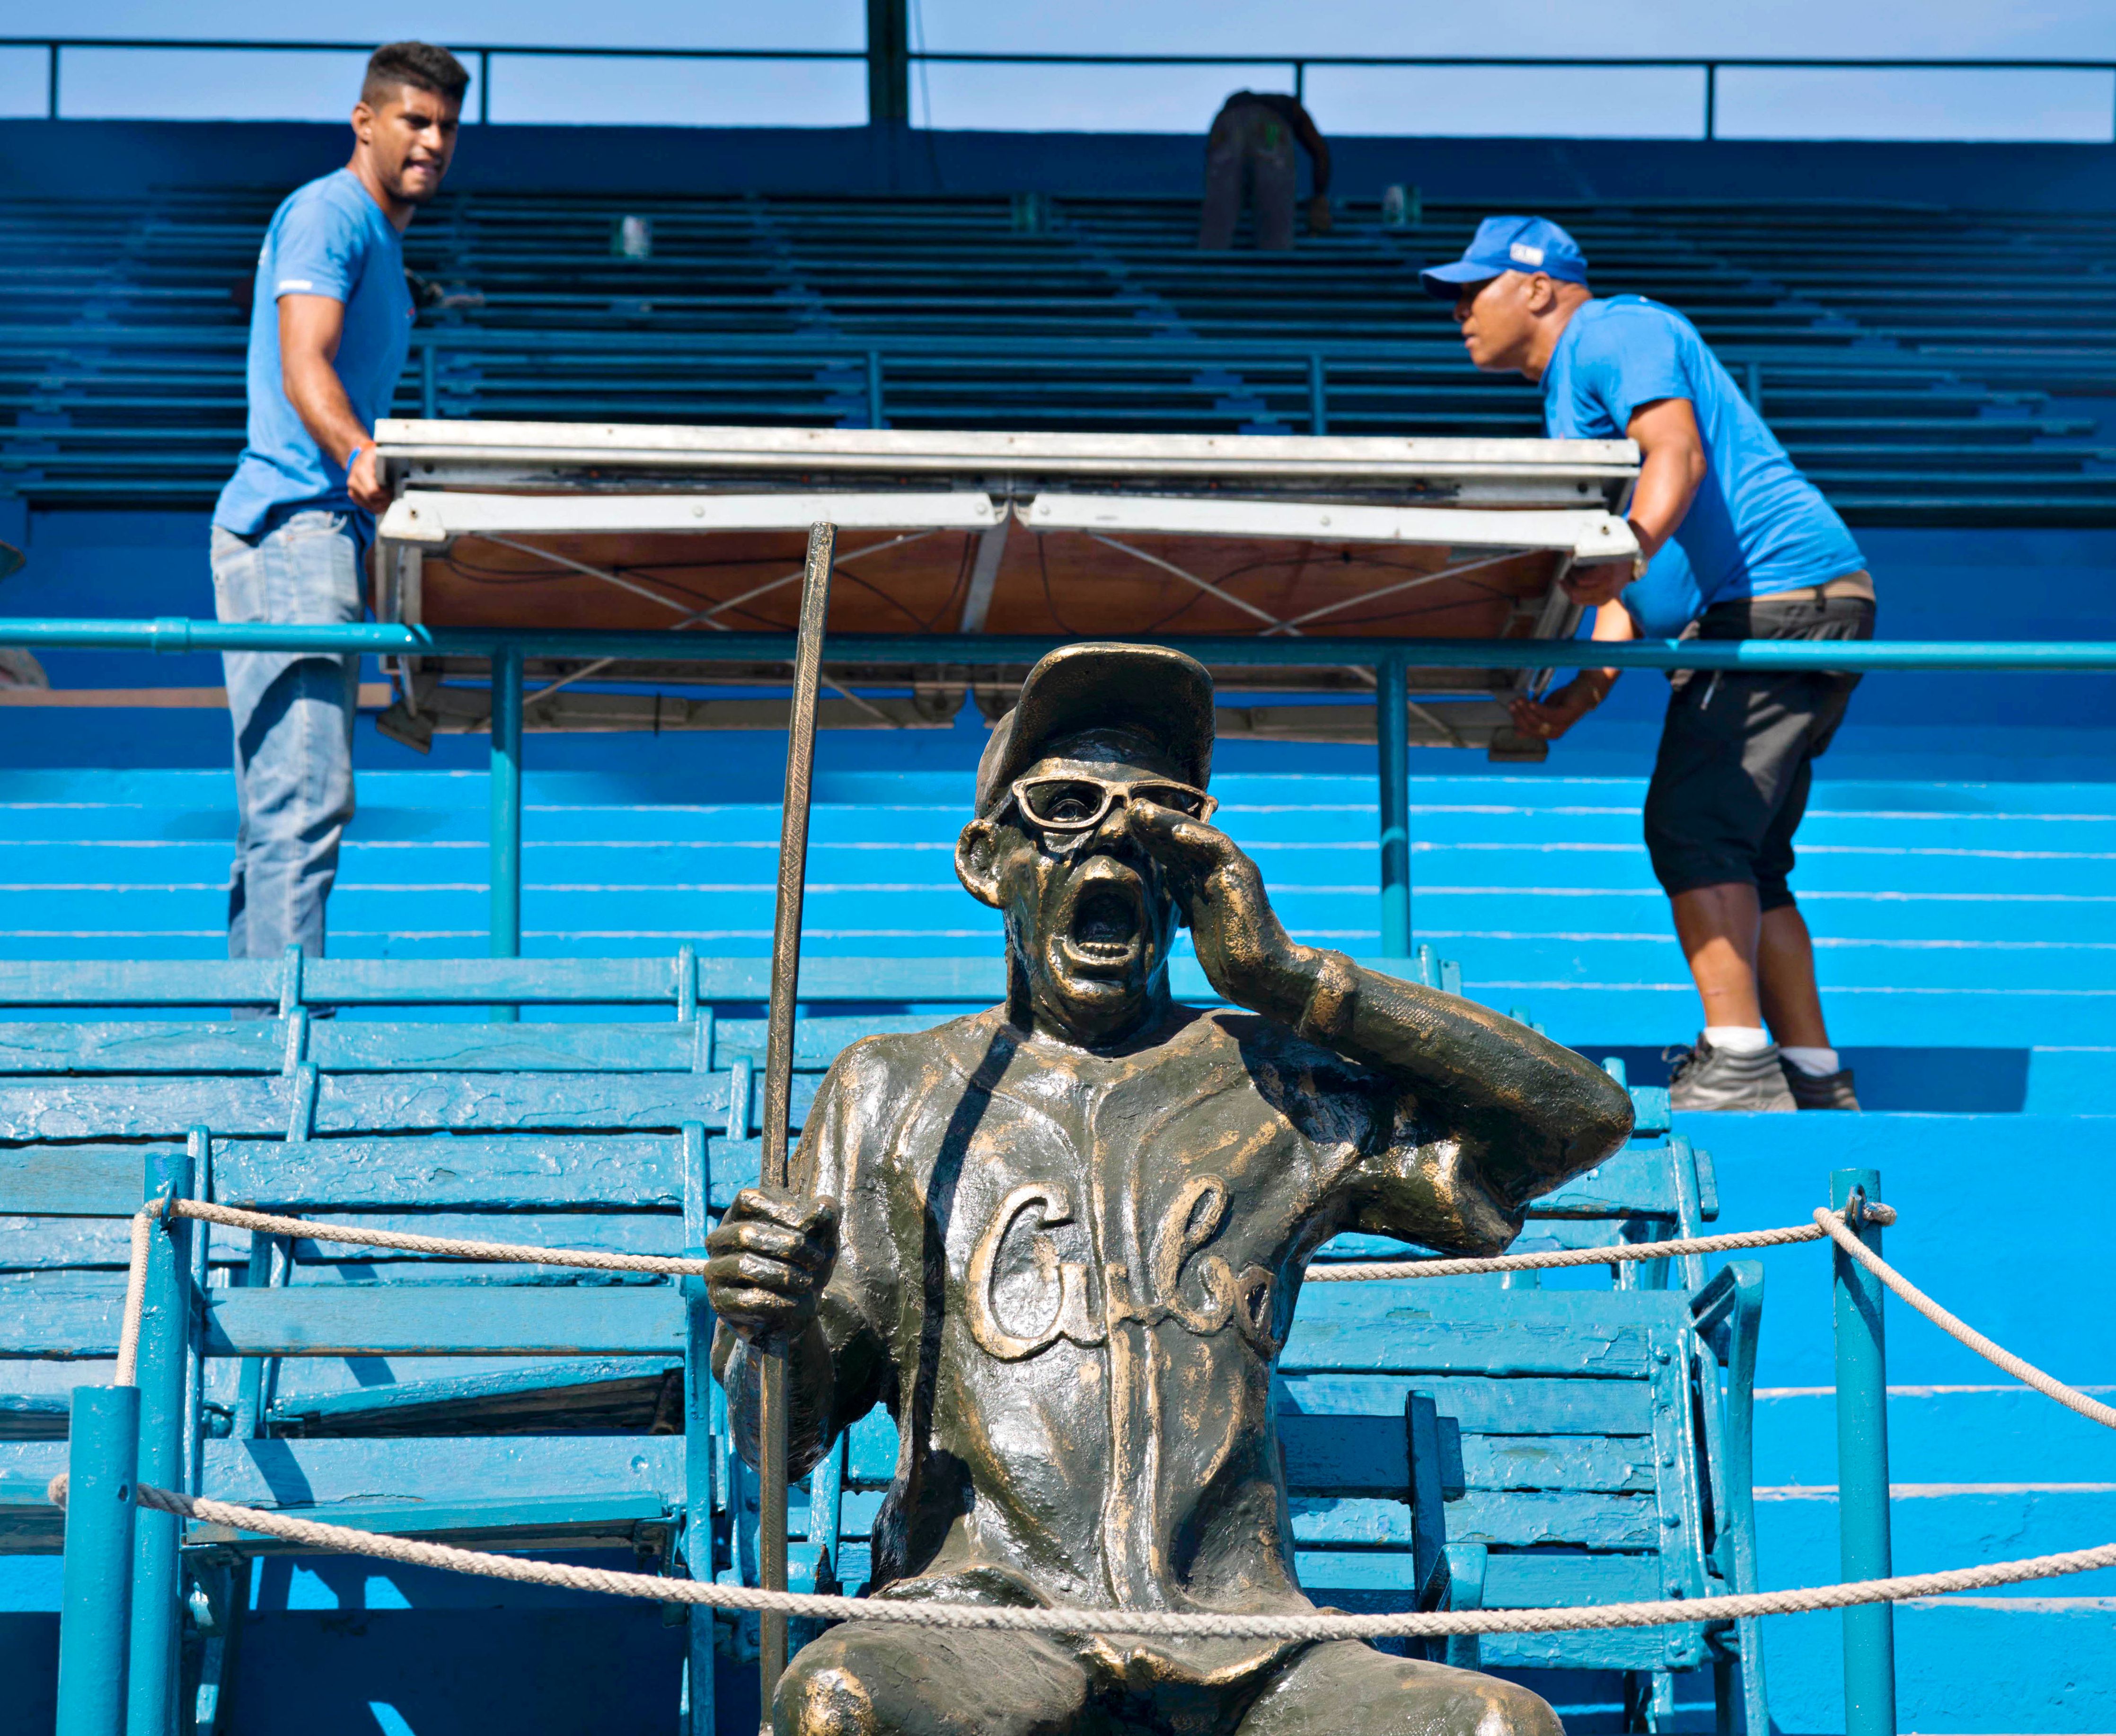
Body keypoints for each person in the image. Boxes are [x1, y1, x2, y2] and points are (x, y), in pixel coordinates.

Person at [706, 642, 1634, 1736]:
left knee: (1497, 1731)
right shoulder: (892, 1090)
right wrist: (769, 1323)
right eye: (1062, 805)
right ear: (984, 860)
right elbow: (783, 1437)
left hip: (1243, 1648)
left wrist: (1284, 977)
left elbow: (1576, 1123)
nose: (1113, 838)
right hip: (978, 1628)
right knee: (835, 1704)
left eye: (1158, 813)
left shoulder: (1274, 1079)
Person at [1422, 215, 1874, 1112]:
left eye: (1475, 291)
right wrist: (1577, 696)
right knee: (1750, 854)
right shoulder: (1570, 388)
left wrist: (1627, 543)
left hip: (1770, 610)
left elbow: (1677, 454)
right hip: (1788, 609)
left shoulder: (1616, 330)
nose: (1459, 312)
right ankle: (1815, 1075)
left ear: (1539, 287)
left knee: (1691, 829)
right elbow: (1622, 598)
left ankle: (1739, 1061)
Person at [210, 42, 467, 969]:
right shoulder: (332, 213)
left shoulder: (378, 238)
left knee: (284, 798)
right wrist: (357, 450)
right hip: (296, 523)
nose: (433, 141)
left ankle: (254, 1032)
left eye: (446, 125)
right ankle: (281, 1047)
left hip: (307, 528)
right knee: (306, 793)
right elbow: (302, 361)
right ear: (365, 121)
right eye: (414, 120)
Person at [1199, 91, 1332, 250]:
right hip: (1269, 128)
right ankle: (1276, 263)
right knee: (1275, 231)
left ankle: (1210, 262)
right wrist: (1319, 197)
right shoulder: (1290, 107)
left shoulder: (1237, 103)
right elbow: (1320, 153)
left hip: (1227, 124)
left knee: (1216, 224)